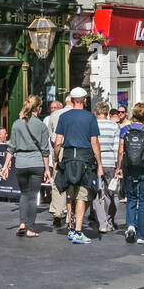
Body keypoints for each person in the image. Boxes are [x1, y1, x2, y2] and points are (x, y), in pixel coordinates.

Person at [52, 87, 103, 244]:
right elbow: (94, 142)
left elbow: (58, 142)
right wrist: (99, 164)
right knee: (82, 195)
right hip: (85, 158)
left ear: (72, 100)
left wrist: (56, 160)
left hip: (68, 158)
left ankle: (71, 225)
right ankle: (77, 230)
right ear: (85, 100)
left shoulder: (64, 117)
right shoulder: (90, 117)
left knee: (70, 193)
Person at [1, 95, 51, 238]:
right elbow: (45, 151)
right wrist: (47, 169)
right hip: (36, 162)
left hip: (21, 163)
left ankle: (22, 223)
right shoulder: (41, 126)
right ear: (39, 108)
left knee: (24, 194)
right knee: (32, 196)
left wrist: (5, 166)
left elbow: (11, 147)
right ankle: (29, 228)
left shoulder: (17, 123)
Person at [115, 103, 144, 244]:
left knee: (131, 197)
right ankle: (141, 236)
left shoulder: (125, 129)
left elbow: (121, 150)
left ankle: (130, 226)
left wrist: (119, 167)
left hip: (129, 168)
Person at [92, 101, 119, 234]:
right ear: (107, 113)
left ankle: (102, 223)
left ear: (95, 112)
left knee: (97, 194)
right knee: (111, 193)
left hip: (96, 162)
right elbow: (116, 147)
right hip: (110, 162)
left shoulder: (92, 125)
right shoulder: (114, 126)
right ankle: (109, 221)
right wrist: (117, 165)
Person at [46, 98, 69, 229]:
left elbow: (52, 138)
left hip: (58, 150)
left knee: (57, 181)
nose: (53, 110)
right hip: (72, 151)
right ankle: (71, 215)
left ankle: (57, 211)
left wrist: (55, 157)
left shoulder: (54, 116)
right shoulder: (79, 114)